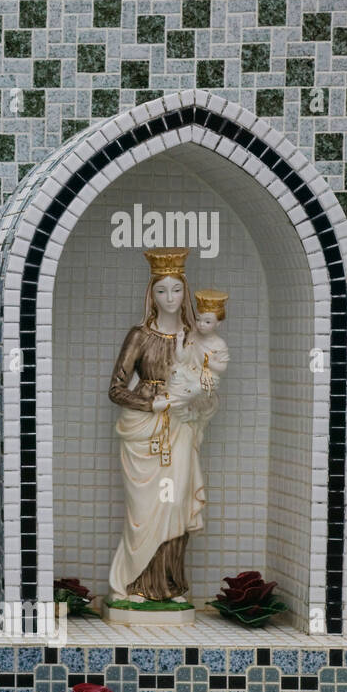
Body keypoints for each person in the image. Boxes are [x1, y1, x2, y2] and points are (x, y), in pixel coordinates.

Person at [107, 249, 207, 603]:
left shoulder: (194, 337)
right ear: (152, 294)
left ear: (185, 293)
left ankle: (169, 586)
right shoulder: (139, 335)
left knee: (175, 504)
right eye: (161, 290)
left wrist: (194, 395)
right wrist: (152, 402)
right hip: (143, 433)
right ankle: (136, 584)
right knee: (145, 510)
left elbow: (206, 383)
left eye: (176, 290)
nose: (169, 298)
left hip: (180, 428)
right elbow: (116, 389)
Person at [167, 290, 230, 427]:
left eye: (207, 322)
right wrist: (179, 342)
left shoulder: (219, 344)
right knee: (174, 375)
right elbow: (182, 359)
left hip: (206, 379)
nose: (201, 324)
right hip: (189, 372)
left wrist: (210, 363)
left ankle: (183, 411)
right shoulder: (193, 336)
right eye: (198, 319)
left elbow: (222, 367)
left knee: (191, 390)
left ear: (217, 324)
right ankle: (177, 408)